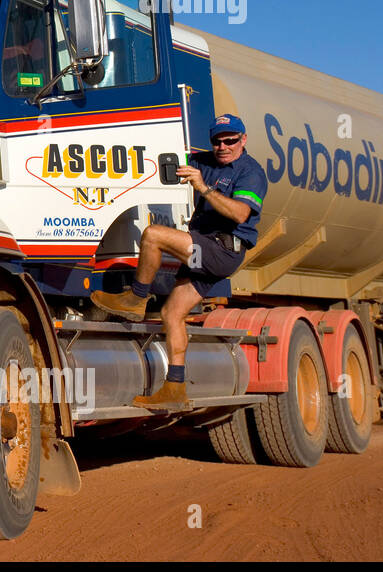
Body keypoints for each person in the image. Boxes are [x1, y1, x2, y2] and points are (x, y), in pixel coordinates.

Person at [90, 114, 268, 411]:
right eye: (217, 141)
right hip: (204, 248)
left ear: (243, 140)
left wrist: (204, 188)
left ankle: (136, 298)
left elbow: (240, 214)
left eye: (231, 140)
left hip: (222, 249)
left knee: (153, 235)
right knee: (172, 314)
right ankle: (174, 387)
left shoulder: (251, 172)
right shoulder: (206, 161)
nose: (223, 146)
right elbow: (167, 152)